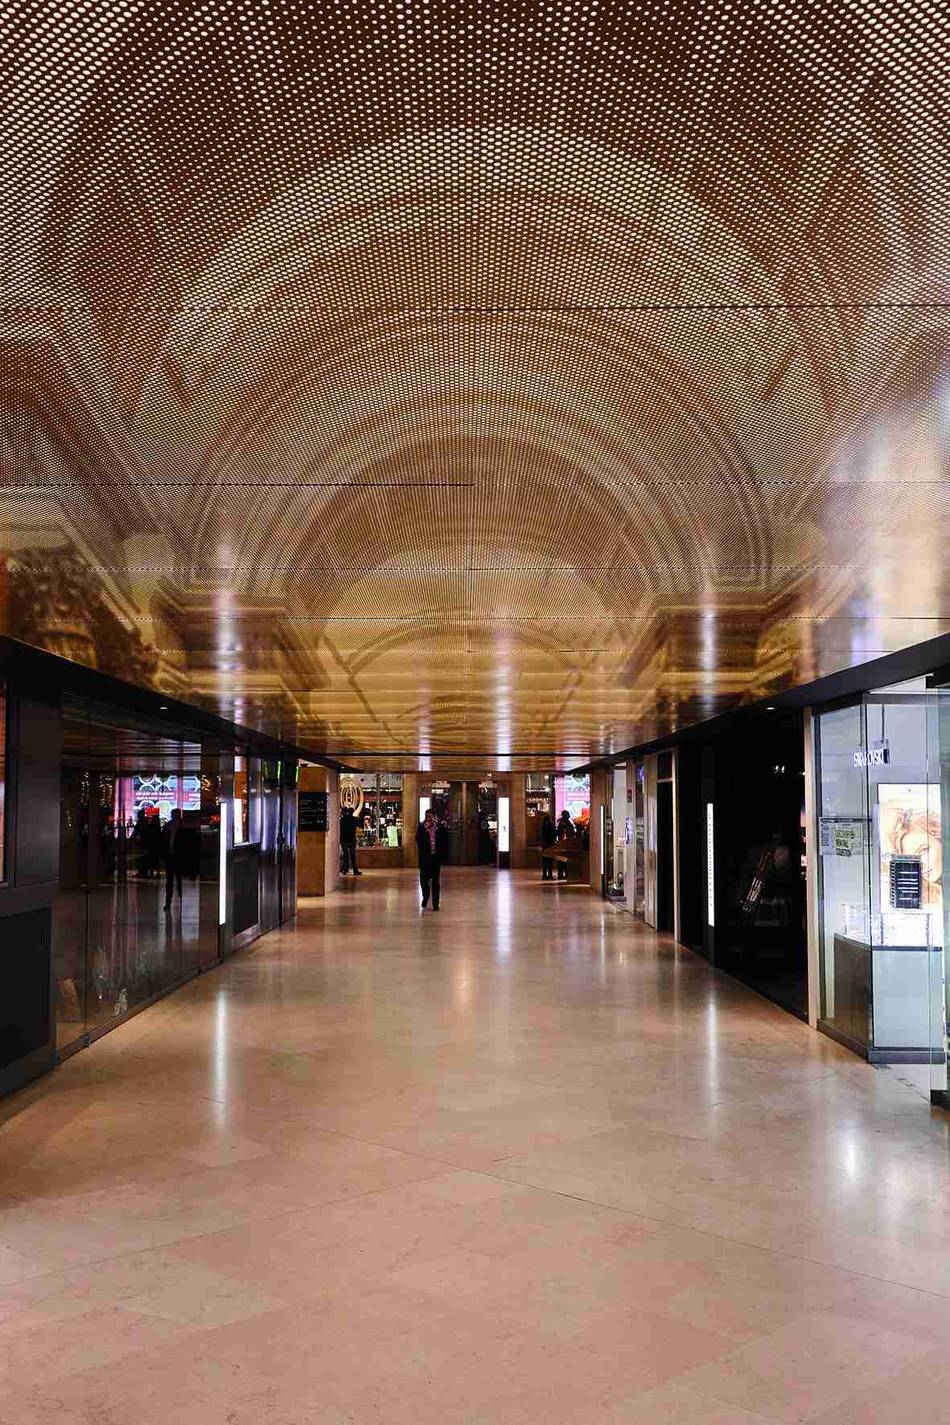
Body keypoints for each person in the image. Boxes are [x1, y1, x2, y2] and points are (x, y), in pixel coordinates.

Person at [416, 808, 449, 911]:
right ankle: (426, 896)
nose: (428, 819)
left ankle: (435, 903)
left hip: (435, 858)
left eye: (430, 817)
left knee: (435, 881)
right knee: (423, 880)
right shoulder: (422, 827)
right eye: (427, 817)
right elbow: (417, 839)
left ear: (434, 817)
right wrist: (424, 829)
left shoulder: (439, 827)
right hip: (425, 858)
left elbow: (445, 841)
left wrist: (443, 856)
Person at [161, 808, 185, 912]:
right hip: (170, 857)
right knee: (170, 881)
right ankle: (168, 903)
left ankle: (176, 902)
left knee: (178, 881)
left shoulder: (182, 827)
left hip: (178, 857)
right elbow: (162, 841)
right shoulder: (168, 826)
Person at [340, 806, 361, 875]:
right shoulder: (354, 819)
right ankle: (354, 870)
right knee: (353, 855)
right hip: (351, 839)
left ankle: (345, 870)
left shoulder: (342, 820)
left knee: (345, 856)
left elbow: (340, 830)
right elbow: (359, 824)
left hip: (344, 840)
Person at [556, 809, 575, 881]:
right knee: (562, 860)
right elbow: (562, 833)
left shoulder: (565, 823)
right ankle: (562, 874)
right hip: (564, 843)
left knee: (563, 860)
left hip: (565, 843)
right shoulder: (563, 823)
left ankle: (564, 874)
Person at [540, 813, 556, 880]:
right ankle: (550, 875)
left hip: (545, 845)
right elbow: (553, 835)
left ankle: (544, 875)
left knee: (545, 861)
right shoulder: (550, 826)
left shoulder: (543, 826)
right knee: (549, 861)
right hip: (550, 845)